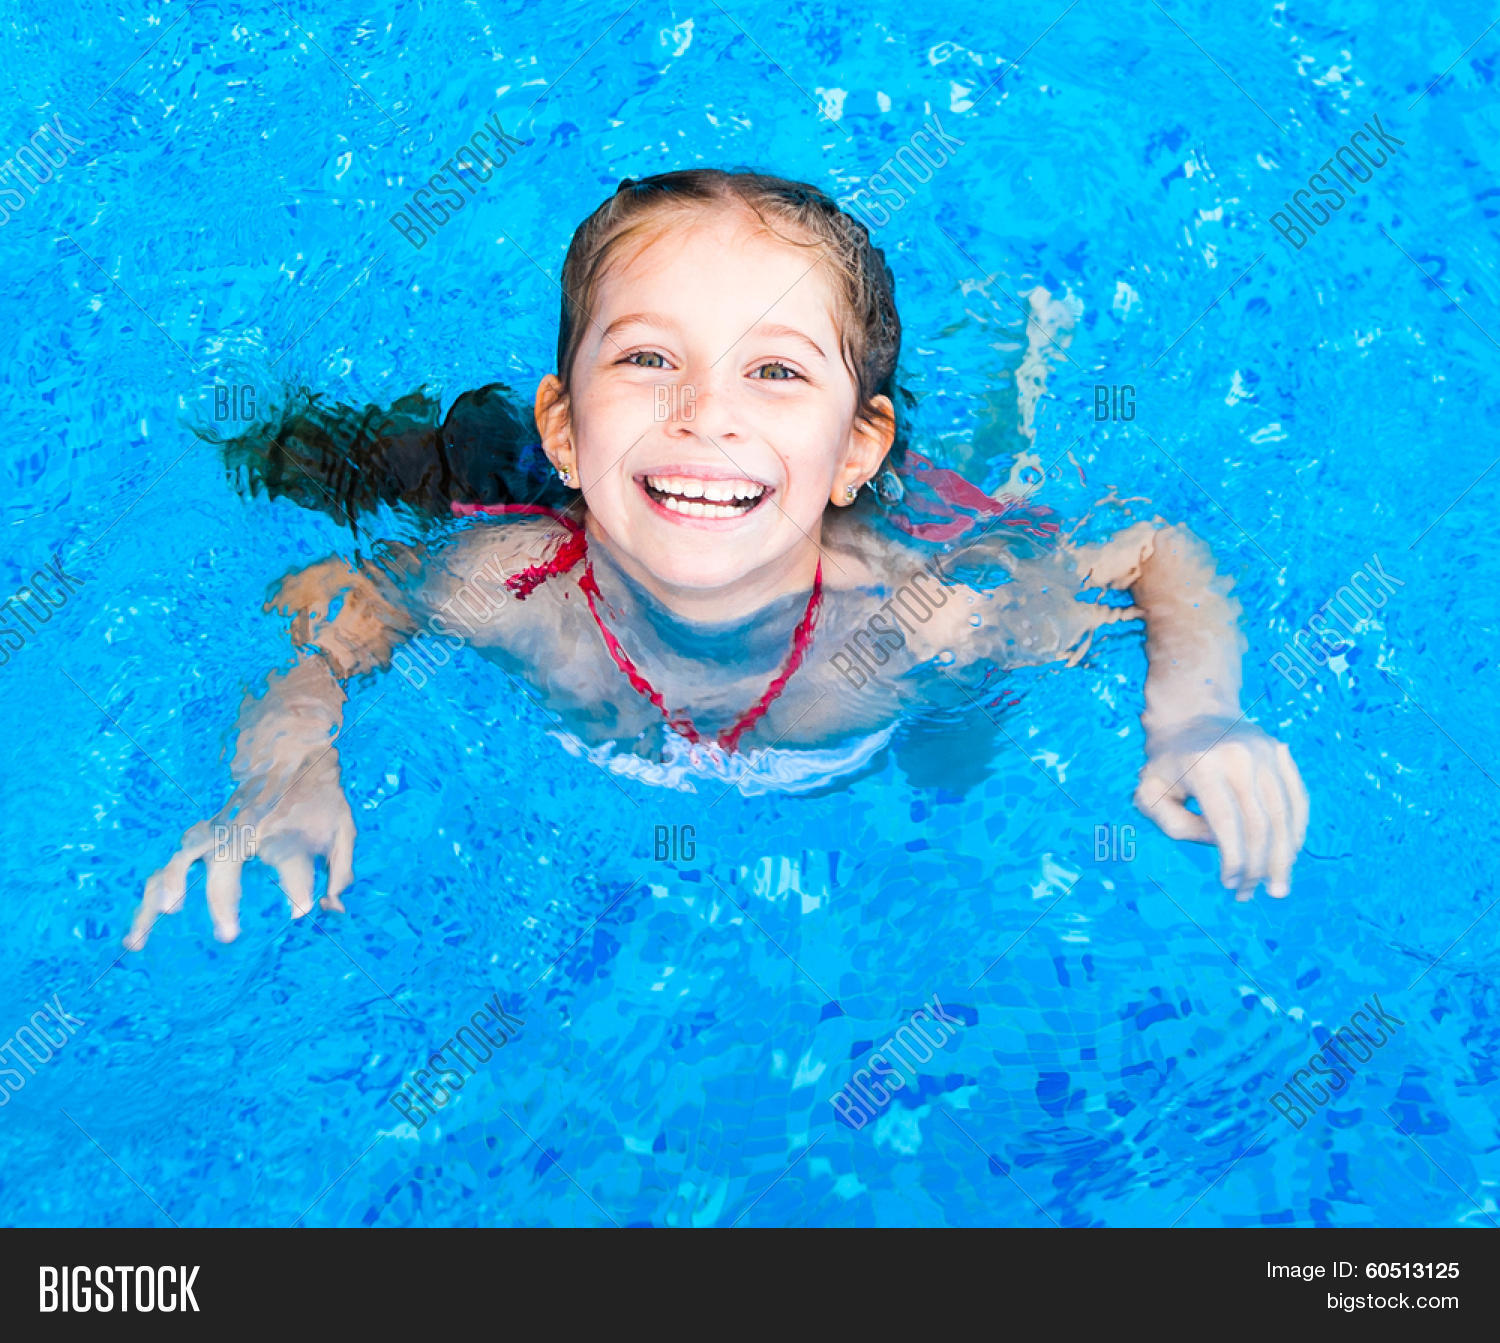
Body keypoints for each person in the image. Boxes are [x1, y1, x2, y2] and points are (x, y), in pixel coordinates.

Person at [125, 170, 1307, 950]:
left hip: (883, 545)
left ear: (855, 448)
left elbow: (1153, 553)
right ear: (568, 425)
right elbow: (339, 608)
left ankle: (1008, 359)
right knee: (304, 463)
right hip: (561, 504)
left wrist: (1196, 719)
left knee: (960, 743)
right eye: (648, 359)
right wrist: (283, 762)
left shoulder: (922, 622)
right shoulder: (509, 586)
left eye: (774, 370)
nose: (705, 413)